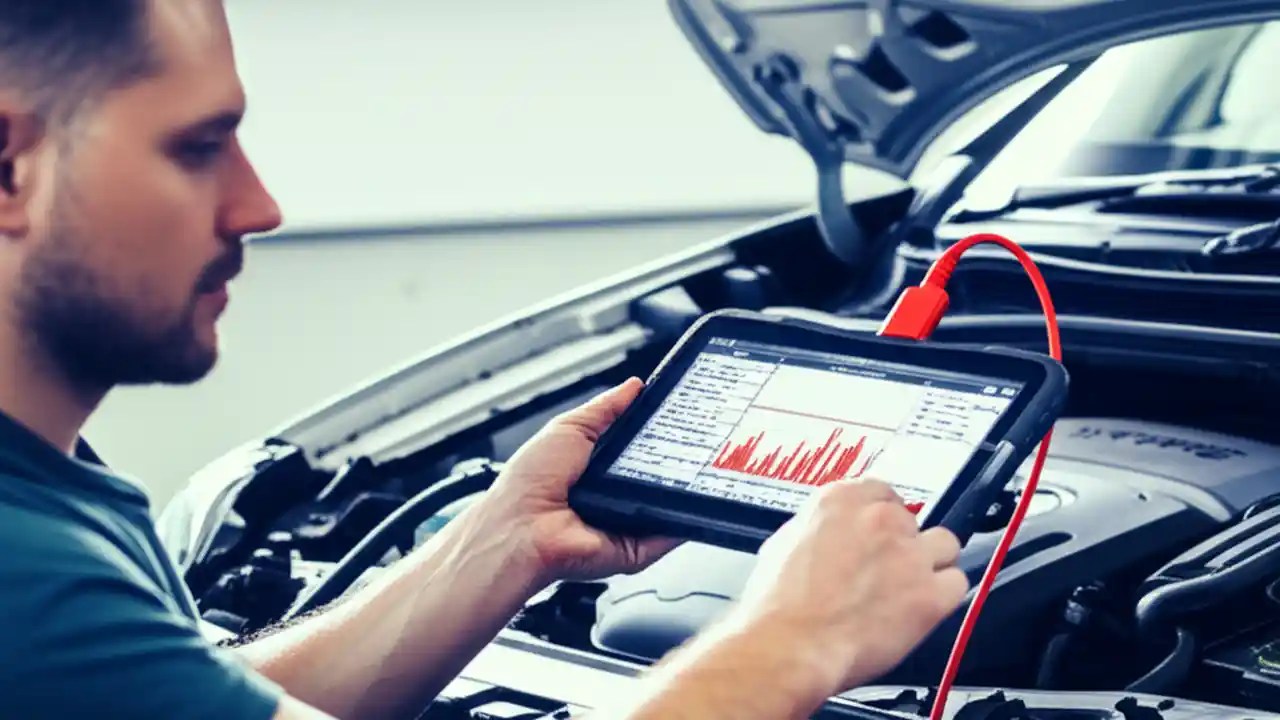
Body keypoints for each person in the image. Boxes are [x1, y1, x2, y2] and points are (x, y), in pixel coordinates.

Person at [0, 2, 970, 719]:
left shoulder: (47, 492)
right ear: (9, 168)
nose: (257, 207)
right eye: (198, 146)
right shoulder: (28, 577)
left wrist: (502, 542)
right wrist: (795, 642)